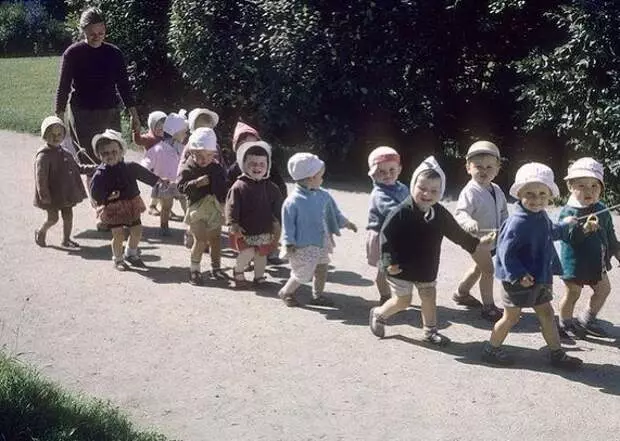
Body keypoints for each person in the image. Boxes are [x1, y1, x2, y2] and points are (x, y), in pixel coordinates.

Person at [368, 156, 495, 345]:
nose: (427, 194)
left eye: (434, 190)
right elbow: (386, 237)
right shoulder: (401, 212)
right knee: (403, 301)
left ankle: (430, 331)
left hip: (426, 266)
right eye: (422, 188)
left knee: (428, 296)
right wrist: (388, 263)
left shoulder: (440, 214)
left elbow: (457, 234)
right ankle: (379, 314)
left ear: (441, 192)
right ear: (413, 186)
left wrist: (477, 244)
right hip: (399, 267)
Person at [481, 162, 582, 369]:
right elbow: (505, 252)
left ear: (549, 195)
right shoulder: (518, 222)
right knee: (511, 317)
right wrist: (519, 274)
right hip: (518, 279)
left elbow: (550, 232)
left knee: (546, 313)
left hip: (539, 276)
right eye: (530, 194)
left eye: (542, 194)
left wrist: (566, 225)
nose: (537, 200)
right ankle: (491, 349)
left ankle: (557, 353)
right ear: (519, 194)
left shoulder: (540, 215)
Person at [55, 7, 139, 165]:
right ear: (83, 31)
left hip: (109, 113)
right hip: (82, 114)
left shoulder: (114, 53)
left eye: (101, 33)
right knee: (91, 163)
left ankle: (116, 190)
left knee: (114, 160)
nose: (97, 38)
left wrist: (134, 114)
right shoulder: (72, 53)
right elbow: (63, 87)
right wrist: (59, 117)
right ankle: (95, 190)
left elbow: (124, 86)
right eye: (92, 34)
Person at [278, 153, 357, 307]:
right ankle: (286, 291)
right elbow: (288, 224)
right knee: (303, 273)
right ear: (310, 178)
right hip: (303, 245)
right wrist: (288, 242)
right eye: (320, 176)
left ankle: (317, 295)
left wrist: (346, 223)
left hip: (322, 241)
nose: (322, 179)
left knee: (322, 268)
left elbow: (335, 213)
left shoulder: (324, 196)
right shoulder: (293, 201)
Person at [557, 157, 619, 339]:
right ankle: (564, 322)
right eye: (582, 186)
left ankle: (587, 319)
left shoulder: (602, 209)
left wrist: (617, 252)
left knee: (604, 290)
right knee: (573, 293)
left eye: (594, 186)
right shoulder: (569, 212)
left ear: (601, 188)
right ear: (570, 186)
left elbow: (610, 235)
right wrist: (583, 230)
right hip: (574, 263)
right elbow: (568, 239)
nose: (589, 191)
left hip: (596, 262)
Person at [89, 129, 163, 271]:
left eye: (114, 152)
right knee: (118, 235)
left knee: (137, 230)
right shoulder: (100, 174)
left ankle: (131, 253)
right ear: (99, 155)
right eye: (105, 153)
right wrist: (107, 197)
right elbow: (95, 193)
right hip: (113, 208)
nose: (110, 156)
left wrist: (158, 180)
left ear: (121, 151)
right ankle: (118, 259)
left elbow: (144, 174)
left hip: (131, 205)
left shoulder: (130, 167)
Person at [453, 141, 507, 322]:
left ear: (498, 168)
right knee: (488, 271)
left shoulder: (497, 189)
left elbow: (503, 213)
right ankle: (488, 306)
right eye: (478, 166)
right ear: (468, 168)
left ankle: (461, 293)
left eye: (490, 167)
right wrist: (468, 222)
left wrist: (507, 227)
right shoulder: (470, 191)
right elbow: (461, 213)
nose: (484, 170)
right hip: (476, 240)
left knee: (478, 268)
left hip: (492, 238)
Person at [226, 121, 288, 265]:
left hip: (266, 207)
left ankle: (270, 251)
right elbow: (228, 189)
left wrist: (281, 204)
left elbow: (279, 185)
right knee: (244, 237)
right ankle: (245, 260)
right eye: (244, 145)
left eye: (254, 145)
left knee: (273, 230)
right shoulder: (234, 169)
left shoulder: (267, 165)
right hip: (244, 211)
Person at [225, 141, 283, 288]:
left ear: (267, 166)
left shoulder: (271, 187)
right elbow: (232, 206)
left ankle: (259, 276)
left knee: (261, 254)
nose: (257, 167)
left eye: (261, 164)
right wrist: (233, 224)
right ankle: (238, 271)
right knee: (247, 253)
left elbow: (279, 207)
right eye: (252, 163)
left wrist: (282, 221)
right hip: (245, 230)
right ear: (244, 164)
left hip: (264, 229)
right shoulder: (239, 186)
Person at [177, 128, 228, 285]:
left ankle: (216, 267)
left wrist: (224, 206)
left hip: (213, 207)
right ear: (191, 153)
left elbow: (223, 188)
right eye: (199, 155)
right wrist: (196, 183)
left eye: (208, 155)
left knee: (216, 239)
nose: (203, 159)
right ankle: (195, 270)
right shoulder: (188, 167)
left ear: (214, 154)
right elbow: (180, 187)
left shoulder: (217, 168)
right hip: (196, 208)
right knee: (200, 240)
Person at [34, 116, 92, 248]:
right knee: (53, 218)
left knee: (68, 216)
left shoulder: (65, 153)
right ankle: (41, 231)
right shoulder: (43, 156)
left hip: (66, 192)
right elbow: (40, 178)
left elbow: (77, 168)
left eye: (59, 134)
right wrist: (44, 195)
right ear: (44, 135)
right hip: (51, 194)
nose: (56, 137)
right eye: (51, 134)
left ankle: (66, 239)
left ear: (63, 135)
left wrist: (93, 169)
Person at [365, 146, 409, 305]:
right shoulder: (379, 193)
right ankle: (385, 295)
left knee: (395, 265)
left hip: (395, 234)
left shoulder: (402, 187)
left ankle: (400, 294)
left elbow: (411, 201)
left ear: (399, 169)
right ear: (374, 174)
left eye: (392, 170)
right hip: (382, 236)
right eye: (381, 172)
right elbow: (392, 211)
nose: (387, 174)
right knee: (384, 268)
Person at [179, 107, 220, 249]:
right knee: (194, 215)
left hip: (209, 185)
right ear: (193, 128)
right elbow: (183, 163)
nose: (204, 129)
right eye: (200, 126)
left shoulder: (214, 145)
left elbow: (219, 162)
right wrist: (183, 179)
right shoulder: (191, 145)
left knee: (208, 215)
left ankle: (204, 239)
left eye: (207, 126)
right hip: (193, 187)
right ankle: (191, 234)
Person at [141, 113, 187, 236]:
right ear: (174, 133)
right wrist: (148, 173)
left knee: (186, 203)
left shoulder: (182, 148)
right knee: (166, 206)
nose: (185, 135)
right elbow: (146, 162)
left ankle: (191, 226)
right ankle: (164, 226)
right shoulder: (158, 148)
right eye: (183, 132)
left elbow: (188, 161)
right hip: (164, 183)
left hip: (179, 182)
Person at [132, 110, 166, 216]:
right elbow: (138, 141)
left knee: (165, 186)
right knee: (158, 185)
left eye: (164, 127)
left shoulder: (166, 138)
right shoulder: (149, 138)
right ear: (152, 126)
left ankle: (165, 206)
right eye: (158, 127)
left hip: (164, 166)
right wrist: (136, 131)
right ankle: (153, 206)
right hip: (153, 166)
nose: (161, 130)